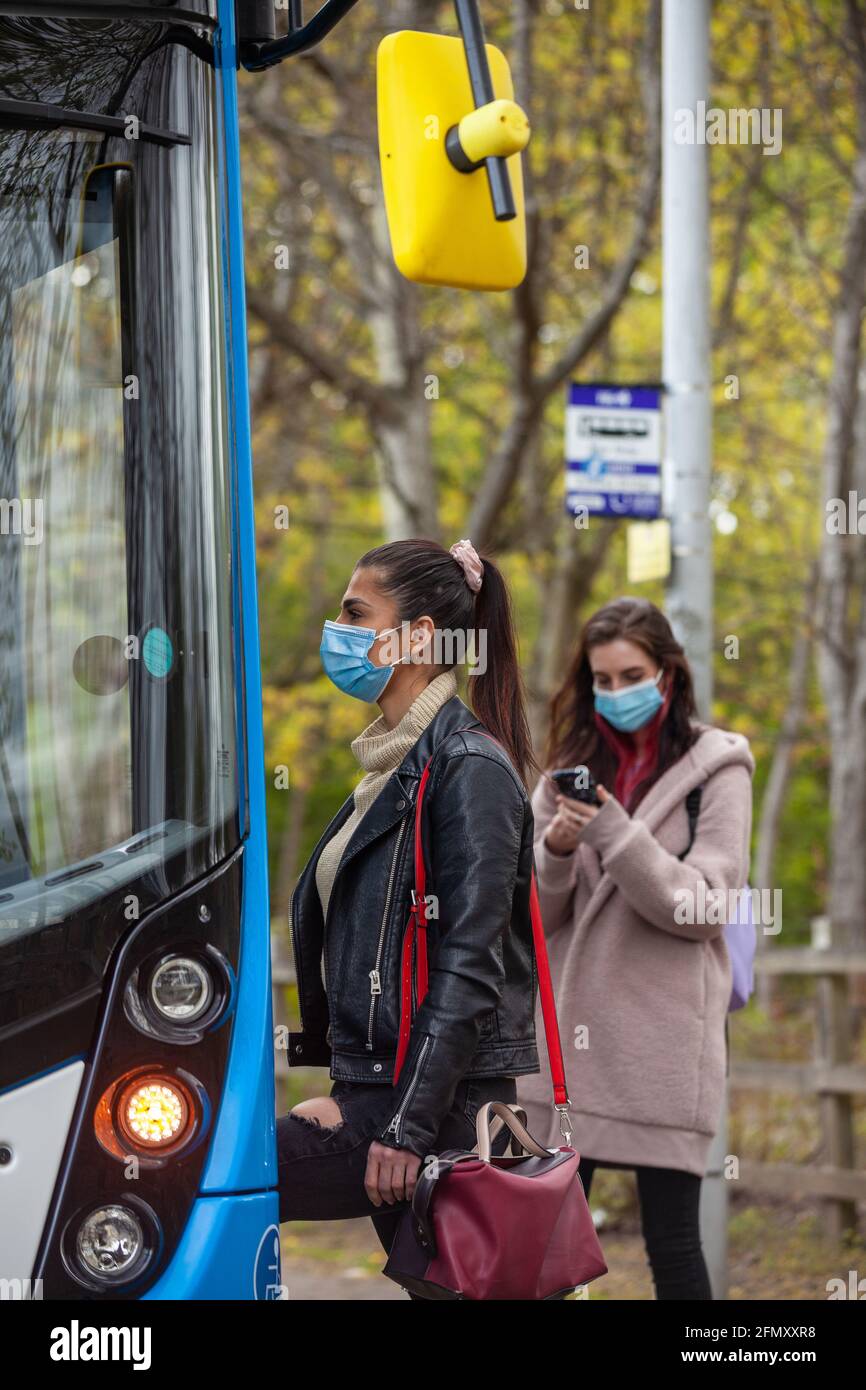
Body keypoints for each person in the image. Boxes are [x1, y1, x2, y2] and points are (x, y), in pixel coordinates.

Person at [277, 537, 542, 1276]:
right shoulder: (387, 767)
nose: (339, 631)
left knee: (230, 1177)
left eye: (355, 613)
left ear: (419, 637)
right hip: (382, 1094)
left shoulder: (469, 768)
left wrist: (402, 1125)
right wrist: (349, 1087)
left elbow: (468, 968)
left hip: (439, 1111)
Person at [516, 596, 754, 1300]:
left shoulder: (719, 768)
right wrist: (556, 850)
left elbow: (704, 906)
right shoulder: (565, 767)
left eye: (632, 676)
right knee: (540, 1251)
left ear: (668, 676)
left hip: (663, 1054)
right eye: (603, 680)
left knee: (673, 1249)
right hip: (565, 1055)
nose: (616, 693)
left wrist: (614, 834)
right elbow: (535, 917)